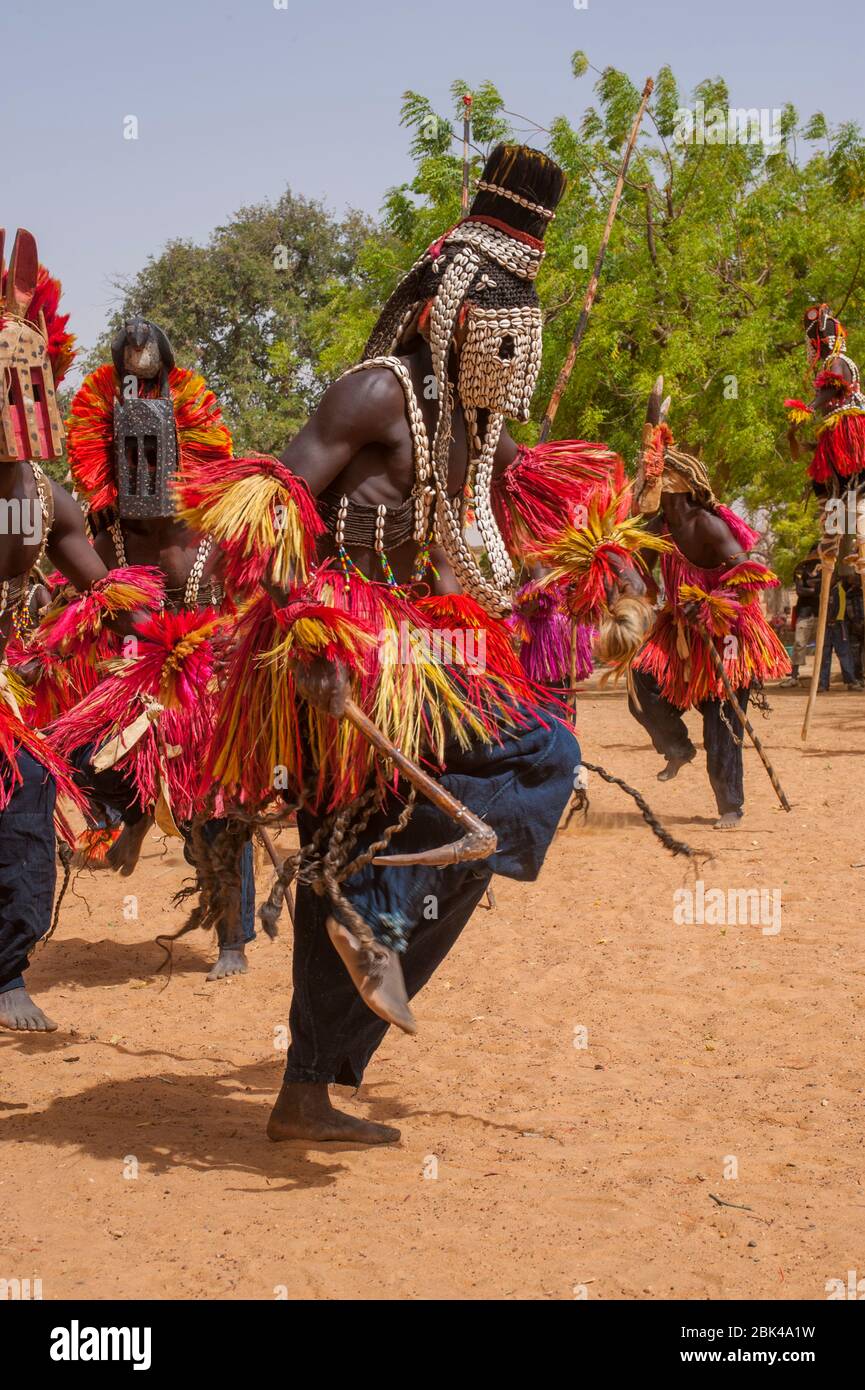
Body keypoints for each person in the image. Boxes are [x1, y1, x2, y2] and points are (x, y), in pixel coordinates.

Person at [177, 146, 612, 1144]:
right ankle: (368, 927)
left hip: (421, 651)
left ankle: (316, 1067)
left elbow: (491, 544)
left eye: (518, 339)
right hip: (338, 649)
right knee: (486, 779)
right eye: (490, 333)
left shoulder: (471, 428)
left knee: (486, 798)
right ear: (447, 314)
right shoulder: (375, 393)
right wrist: (308, 630)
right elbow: (268, 510)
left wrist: (572, 569)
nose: (505, 359)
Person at [46, 318, 256, 979]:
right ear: (104, 447)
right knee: (80, 759)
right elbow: (67, 609)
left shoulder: (215, 537)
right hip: (127, 689)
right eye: (126, 442)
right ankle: (128, 816)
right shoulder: (98, 541)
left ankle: (231, 941)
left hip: (209, 695)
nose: (141, 455)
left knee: (217, 809)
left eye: (154, 439)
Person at [0, 228, 152, 1031]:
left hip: (4, 697)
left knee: (25, 798)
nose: (21, 404)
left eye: (31, 387)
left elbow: (111, 591)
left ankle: (5, 971)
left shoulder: (47, 498)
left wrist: (184, 637)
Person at [628, 380, 790, 830]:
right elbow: (636, 570)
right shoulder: (657, 526)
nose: (645, 488)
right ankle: (676, 746)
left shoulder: (711, 527)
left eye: (653, 481)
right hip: (680, 629)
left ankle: (730, 806)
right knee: (642, 681)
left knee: (721, 717)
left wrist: (714, 605)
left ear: (676, 487)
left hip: (730, 633)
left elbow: (750, 582)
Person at [781, 548, 820, 686]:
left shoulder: (827, 567)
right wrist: (817, 590)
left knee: (825, 646)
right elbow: (800, 591)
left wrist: (811, 589)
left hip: (822, 613)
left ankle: (821, 678)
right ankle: (794, 676)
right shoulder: (801, 568)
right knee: (799, 643)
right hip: (804, 612)